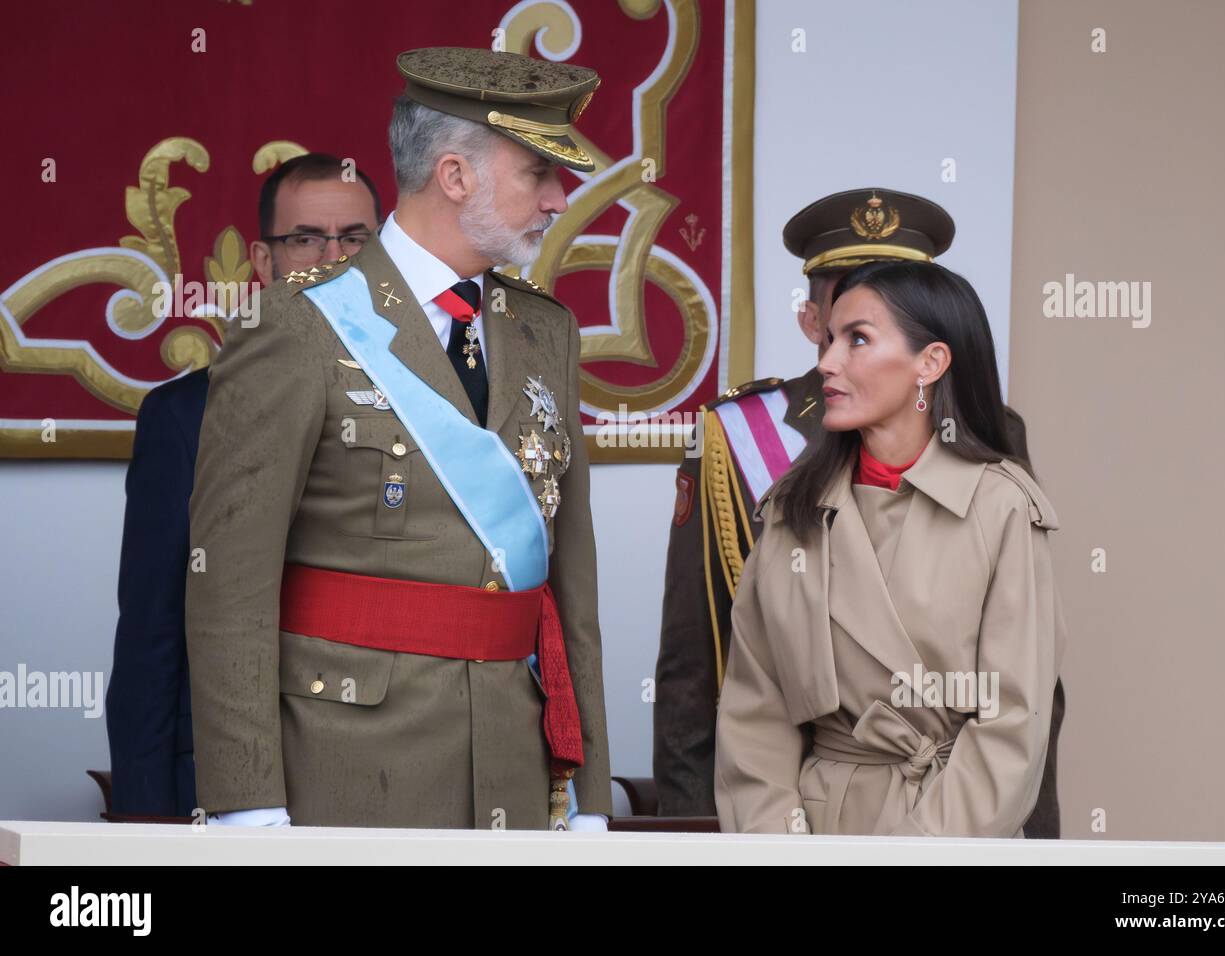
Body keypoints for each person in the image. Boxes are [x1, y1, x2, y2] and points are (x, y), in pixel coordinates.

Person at [185, 46, 612, 830]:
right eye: (537, 174)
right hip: (347, 767)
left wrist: (588, 798)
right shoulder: (298, 323)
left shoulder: (546, 330)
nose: (559, 198)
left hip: (517, 770)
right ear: (455, 177)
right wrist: (249, 807)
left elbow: (569, 585)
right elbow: (228, 587)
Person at [655, 188, 1065, 837]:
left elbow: (1020, 713)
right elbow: (746, 706)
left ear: (931, 361)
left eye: (860, 338)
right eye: (833, 333)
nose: (827, 364)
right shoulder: (788, 502)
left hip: (955, 835)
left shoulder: (1002, 502)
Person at [104, 153, 381, 818]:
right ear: (263, 262)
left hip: (384, 776)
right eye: (306, 239)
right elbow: (150, 641)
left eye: (356, 239)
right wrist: (145, 826)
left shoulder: (438, 412)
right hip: (228, 792)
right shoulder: (184, 419)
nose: (333, 258)